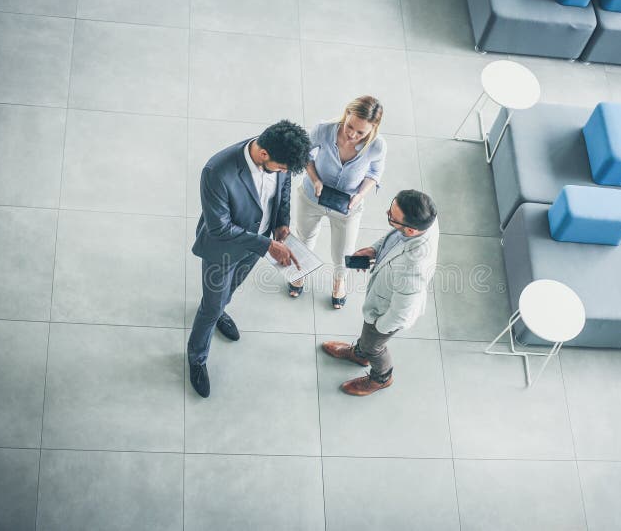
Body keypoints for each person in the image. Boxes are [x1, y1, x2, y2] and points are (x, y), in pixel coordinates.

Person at [187, 120, 311, 398]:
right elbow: (219, 228)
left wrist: (281, 222)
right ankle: (196, 358)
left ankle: (220, 311)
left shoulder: (280, 157)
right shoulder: (217, 171)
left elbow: (284, 191)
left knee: (231, 288)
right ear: (264, 154)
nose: (284, 172)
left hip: (257, 245)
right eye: (281, 168)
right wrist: (267, 244)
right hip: (223, 250)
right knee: (210, 306)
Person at [321, 190, 439, 396]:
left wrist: (378, 327)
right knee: (368, 341)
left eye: (391, 217)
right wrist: (375, 250)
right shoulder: (426, 219)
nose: (387, 212)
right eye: (391, 206)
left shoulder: (414, 267)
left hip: (387, 313)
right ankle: (360, 354)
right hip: (386, 295)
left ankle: (381, 377)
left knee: (374, 346)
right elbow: (395, 236)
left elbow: (401, 312)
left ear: (411, 230)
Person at [289, 96, 386, 309]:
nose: (352, 135)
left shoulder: (378, 146)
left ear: (374, 127)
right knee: (305, 238)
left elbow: (375, 172)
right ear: (346, 114)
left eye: (361, 132)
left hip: (348, 205)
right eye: (349, 126)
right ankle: (300, 271)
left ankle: (339, 281)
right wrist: (315, 180)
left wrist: (360, 195)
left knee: (344, 251)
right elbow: (306, 155)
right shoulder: (323, 130)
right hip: (312, 196)